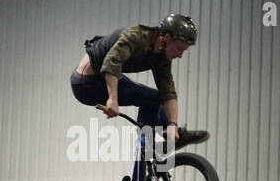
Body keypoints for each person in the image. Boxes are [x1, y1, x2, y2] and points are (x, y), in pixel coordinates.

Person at [71, 13, 210, 153]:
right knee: (151, 98)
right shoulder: (136, 37)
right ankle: (145, 146)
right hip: (85, 83)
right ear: (167, 37)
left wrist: (173, 124)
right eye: (179, 49)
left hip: (108, 76)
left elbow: (168, 93)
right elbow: (111, 63)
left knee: (156, 98)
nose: (180, 55)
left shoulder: (162, 58)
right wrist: (112, 99)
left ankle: (168, 138)